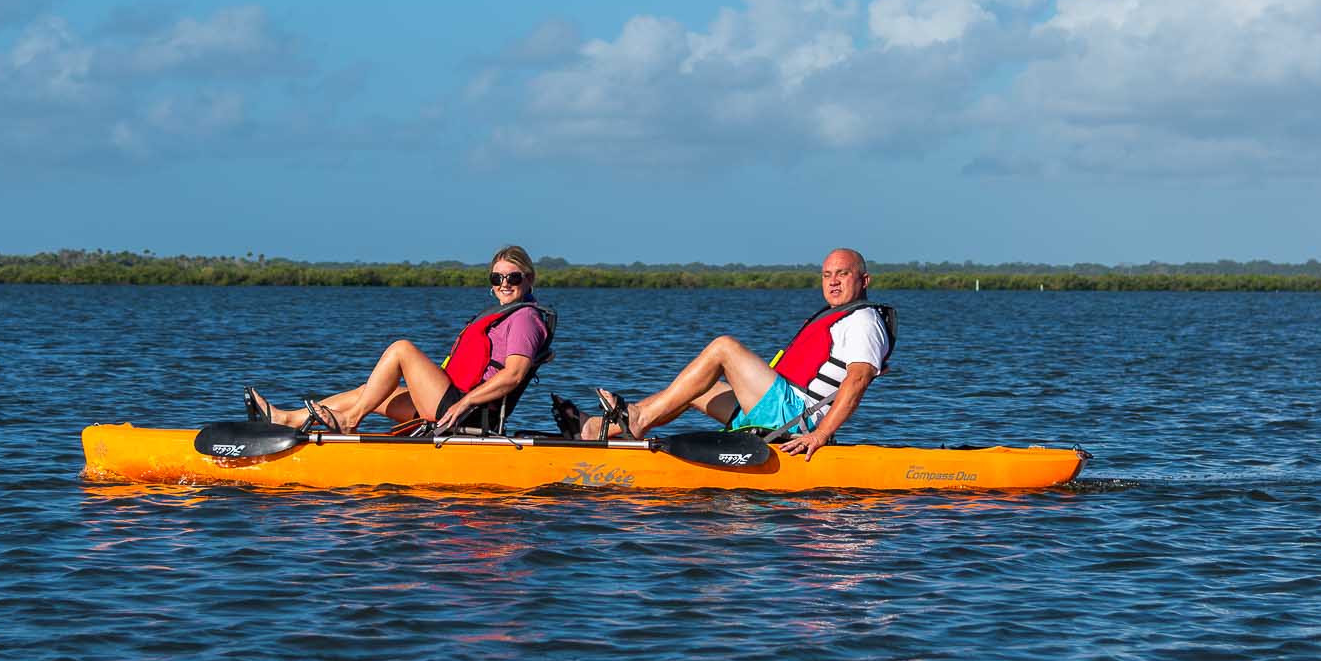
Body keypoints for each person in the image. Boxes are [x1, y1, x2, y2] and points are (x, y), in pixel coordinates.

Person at [579, 248, 893, 460]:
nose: (833, 281)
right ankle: (605, 428)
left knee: (724, 348)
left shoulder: (863, 321)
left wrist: (821, 435)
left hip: (796, 418)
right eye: (827, 275)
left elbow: (857, 381)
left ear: (864, 280)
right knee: (699, 390)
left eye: (842, 274)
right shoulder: (839, 316)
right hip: (780, 407)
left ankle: (638, 418)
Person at [248, 245, 553, 434]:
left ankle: (350, 421)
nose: (504, 285)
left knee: (401, 350)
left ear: (529, 279)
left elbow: (513, 374)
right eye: (497, 278)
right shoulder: (508, 315)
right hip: (450, 402)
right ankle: (287, 419)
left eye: (512, 278)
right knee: (369, 392)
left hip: (467, 411)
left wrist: (466, 404)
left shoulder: (524, 318)